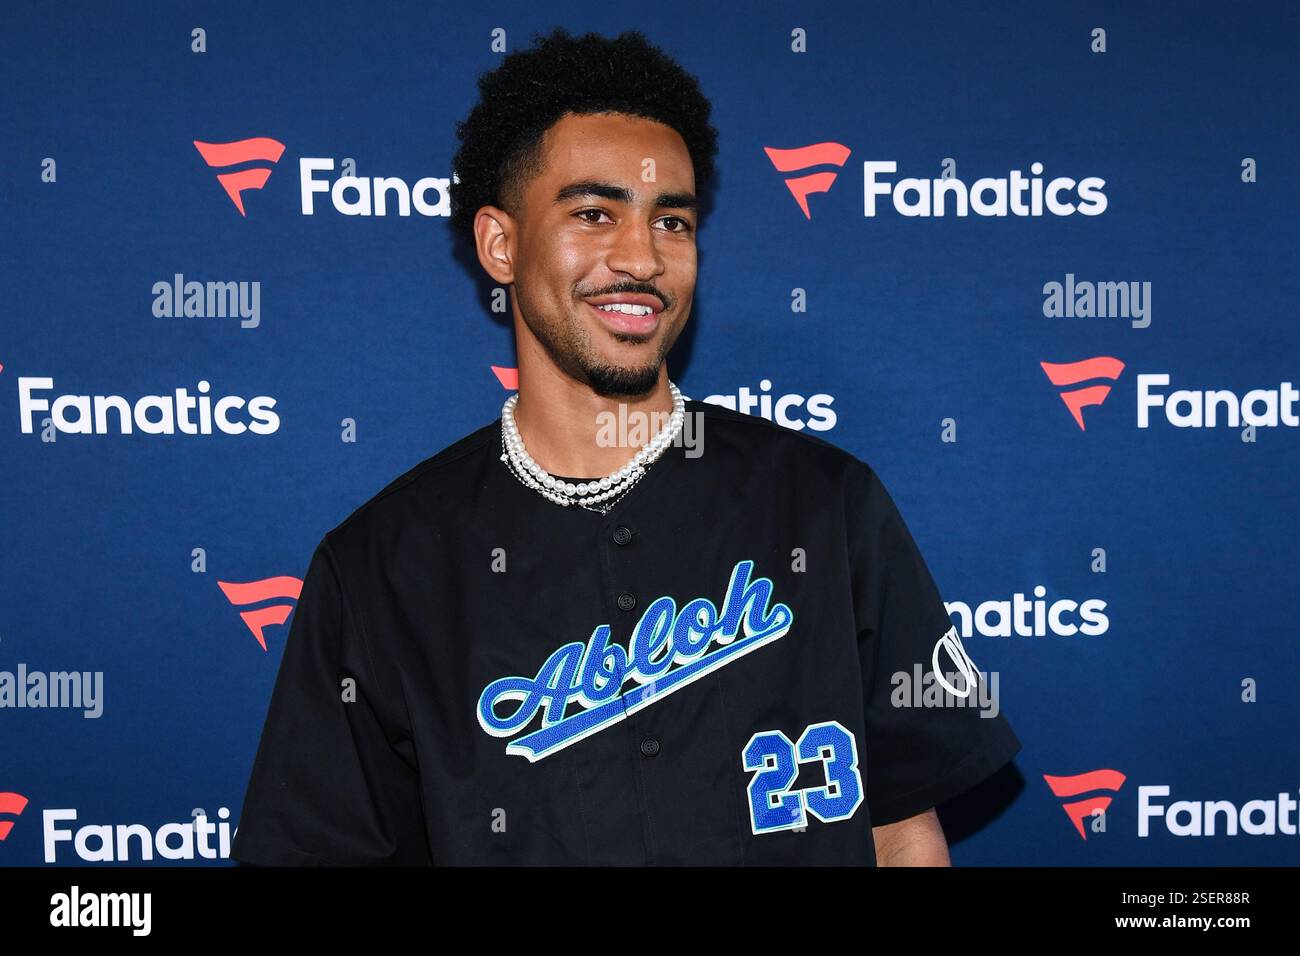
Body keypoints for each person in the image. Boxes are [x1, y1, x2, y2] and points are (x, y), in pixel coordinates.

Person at [230, 26, 1021, 867]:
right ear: (501, 244)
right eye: (594, 213)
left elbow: (903, 835)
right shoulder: (383, 568)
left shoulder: (826, 504)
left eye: (671, 220)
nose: (641, 257)